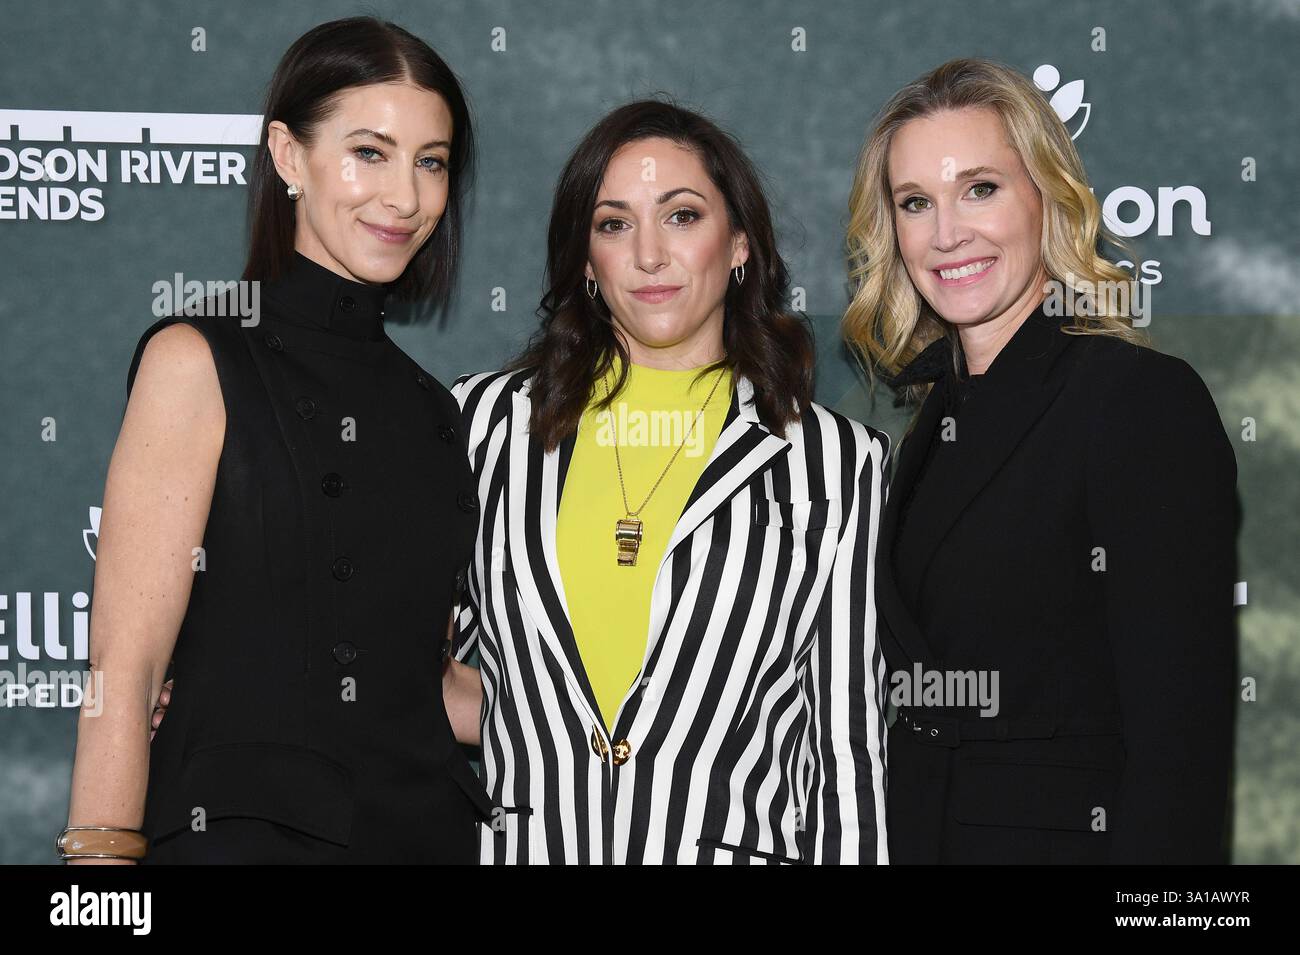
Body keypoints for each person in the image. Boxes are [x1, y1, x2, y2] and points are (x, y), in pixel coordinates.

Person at [62, 16, 491, 864]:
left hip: (421, 833)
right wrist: (98, 881)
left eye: (430, 162)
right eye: (369, 152)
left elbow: (428, 682)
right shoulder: (199, 357)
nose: (404, 196)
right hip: (242, 835)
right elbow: (125, 667)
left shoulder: (438, 413)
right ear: (288, 156)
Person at [450, 100, 890, 864]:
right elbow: (402, 666)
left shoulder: (838, 463)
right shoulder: (479, 425)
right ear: (586, 261)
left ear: (741, 242)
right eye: (614, 224)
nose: (649, 255)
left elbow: (847, 752)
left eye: (682, 216)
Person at [843, 57, 1239, 863]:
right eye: (917, 202)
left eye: (980, 188)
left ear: (1048, 198)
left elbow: (1180, 746)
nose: (947, 232)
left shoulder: (1136, 402)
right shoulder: (934, 418)